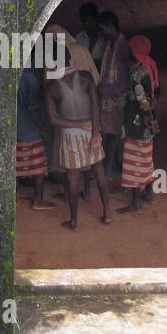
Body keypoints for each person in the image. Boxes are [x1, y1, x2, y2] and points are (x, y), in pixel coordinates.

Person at [45, 42, 113, 229]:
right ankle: (107, 212)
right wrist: (95, 133)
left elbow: (53, 119)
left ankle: (74, 221)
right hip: (91, 129)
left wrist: (77, 125)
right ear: (70, 58)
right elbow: (95, 106)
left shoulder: (52, 87)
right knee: (98, 170)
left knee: (73, 177)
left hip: (70, 135)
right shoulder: (86, 77)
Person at [119, 34, 160, 214]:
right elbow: (157, 93)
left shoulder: (136, 75)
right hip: (150, 120)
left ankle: (136, 202)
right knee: (146, 157)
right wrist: (150, 113)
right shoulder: (149, 66)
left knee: (134, 161)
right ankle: (149, 193)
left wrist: (142, 115)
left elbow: (141, 101)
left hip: (138, 123)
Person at [96, 11, 130, 180]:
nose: (101, 34)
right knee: (111, 134)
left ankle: (107, 171)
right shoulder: (111, 43)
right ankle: (113, 166)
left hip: (115, 98)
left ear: (111, 27)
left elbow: (123, 80)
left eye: (103, 29)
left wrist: (104, 90)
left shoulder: (122, 47)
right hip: (109, 96)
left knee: (111, 136)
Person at [15, 66, 53, 209]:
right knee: (38, 166)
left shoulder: (11, 73)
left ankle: (14, 195)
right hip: (29, 127)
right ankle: (38, 199)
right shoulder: (29, 77)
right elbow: (33, 107)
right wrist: (42, 127)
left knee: (15, 163)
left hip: (16, 126)